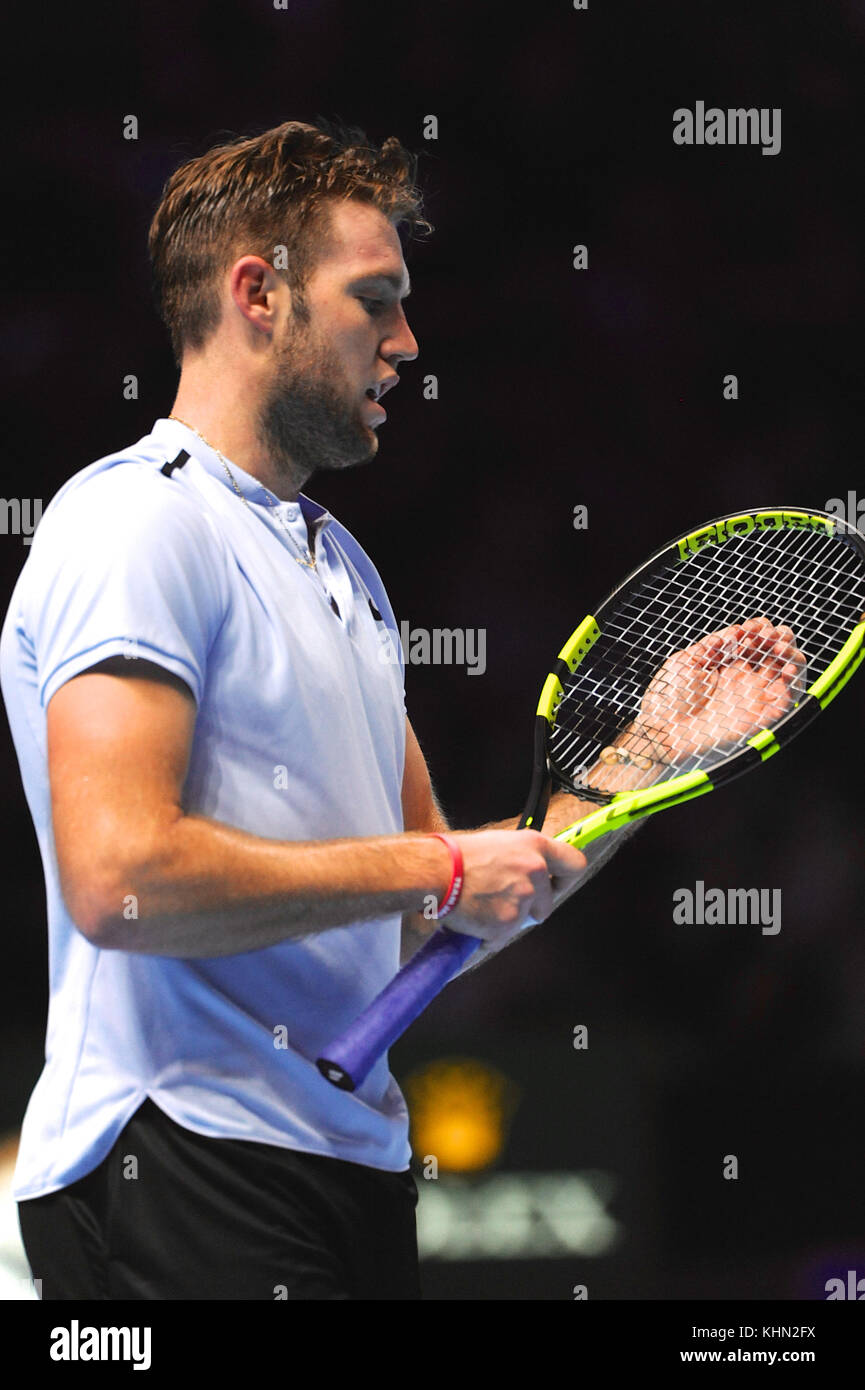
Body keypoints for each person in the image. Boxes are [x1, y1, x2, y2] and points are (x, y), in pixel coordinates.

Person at [0, 118, 803, 1301]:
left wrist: (648, 755)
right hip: (171, 1160)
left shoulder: (343, 572)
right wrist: (435, 868)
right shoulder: (135, 523)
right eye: (373, 299)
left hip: (342, 1169)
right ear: (256, 294)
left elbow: (439, 920)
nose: (407, 341)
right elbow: (120, 878)